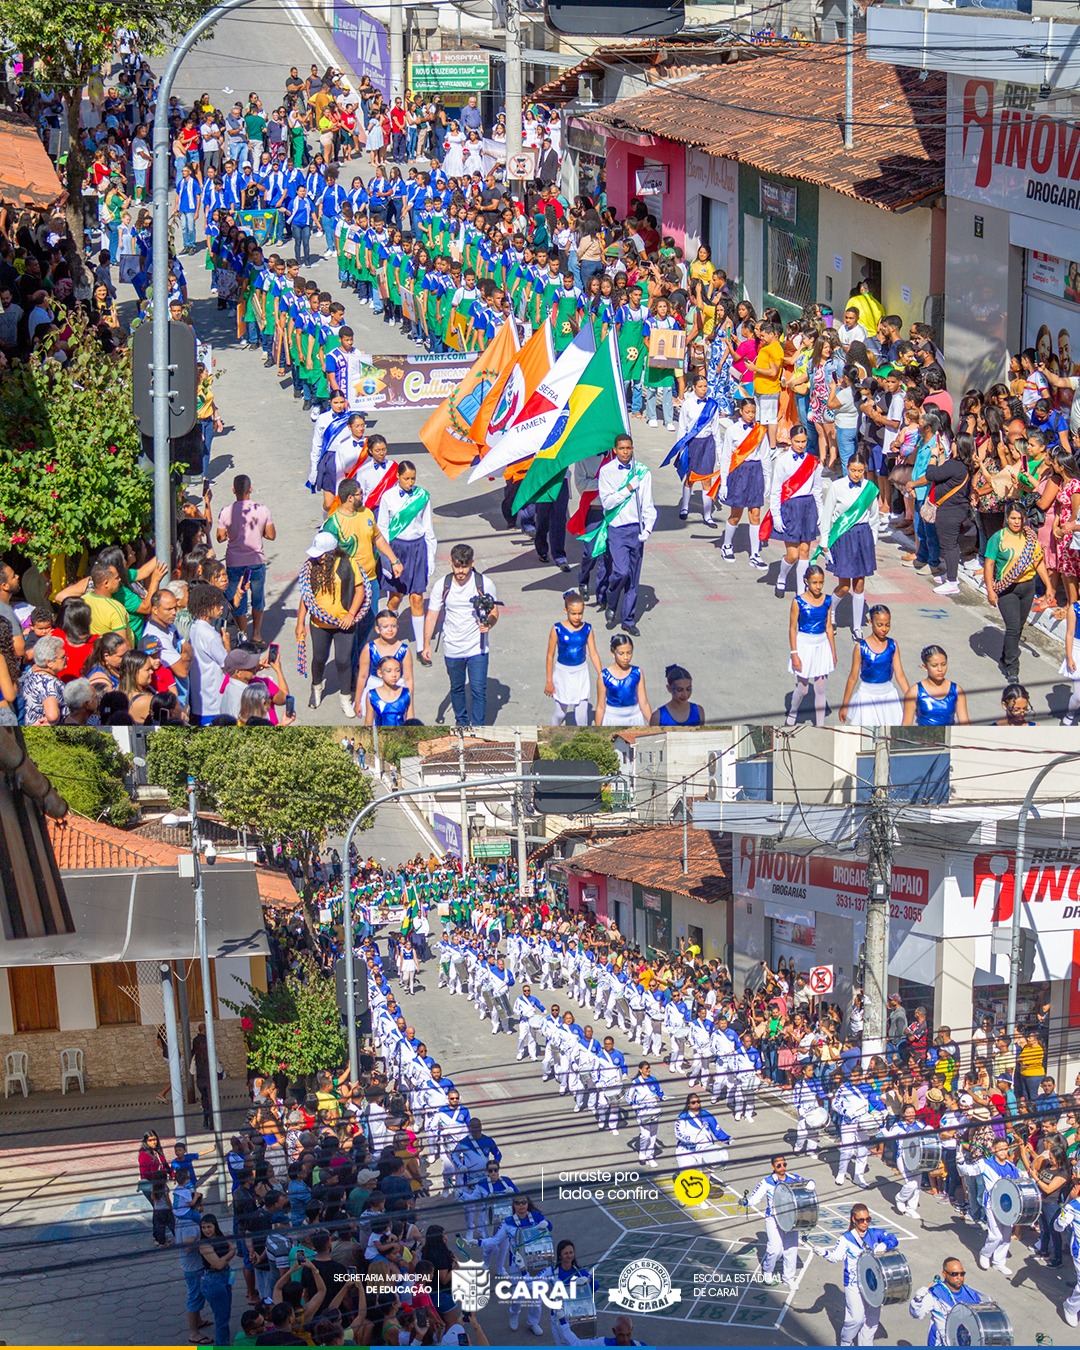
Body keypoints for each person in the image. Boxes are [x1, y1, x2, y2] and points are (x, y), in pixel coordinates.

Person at [422, 544, 500, 727]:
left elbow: (494, 612)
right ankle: (462, 723)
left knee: (478, 690)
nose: (461, 571)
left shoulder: (484, 583)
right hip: (452, 647)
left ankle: (479, 727)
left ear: (472, 563)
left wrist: (488, 623)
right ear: (451, 563)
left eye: (465, 566)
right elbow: (432, 615)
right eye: (457, 566)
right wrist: (426, 644)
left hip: (477, 648)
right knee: (457, 688)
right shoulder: (442, 585)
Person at [374, 460, 436, 662]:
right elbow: (382, 528)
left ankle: (421, 647)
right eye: (406, 478)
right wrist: (387, 560)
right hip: (397, 549)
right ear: (398, 477)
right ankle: (386, 637)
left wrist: (431, 557)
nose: (410, 482)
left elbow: (427, 527)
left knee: (417, 597)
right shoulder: (388, 498)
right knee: (396, 597)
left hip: (418, 548)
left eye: (413, 479)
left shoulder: (422, 496)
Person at [984, 504, 1052, 685]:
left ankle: (1006, 657)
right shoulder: (998, 538)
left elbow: (1038, 563)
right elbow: (989, 565)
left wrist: (1049, 587)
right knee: (1013, 628)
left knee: (1018, 627)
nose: (1016, 522)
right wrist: (991, 590)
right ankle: (1013, 669)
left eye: (1019, 518)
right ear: (1007, 518)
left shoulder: (1030, 537)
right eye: (1013, 518)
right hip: (1008, 590)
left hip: (1027, 587)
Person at [822, 1204, 899, 1347]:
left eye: (867, 1219)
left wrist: (885, 1245)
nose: (865, 1223)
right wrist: (824, 1253)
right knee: (856, 1319)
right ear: (853, 1220)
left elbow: (893, 1239)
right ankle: (845, 1341)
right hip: (853, 1284)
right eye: (861, 1220)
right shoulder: (846, 1239)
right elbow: (835, 1257)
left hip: (873, 1284)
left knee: (871, 1321)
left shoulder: (875, 1233)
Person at [215, 474, 276, 646]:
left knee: (238, 599)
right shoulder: (263, 510)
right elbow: (271, 535)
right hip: (256, 561)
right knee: (257, 597)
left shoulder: (226, 512)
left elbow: (219, 537)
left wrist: (230, 533)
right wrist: (260, 532)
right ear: (250, 489)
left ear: (233, 490)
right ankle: (256, 634)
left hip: (234, 563)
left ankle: (242, 636)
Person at [837, 604, 908, 727]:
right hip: (866, 696)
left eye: (887, 625)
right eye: (879, 625)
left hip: (888, 695)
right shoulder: (861, 647)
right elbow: (853, 678)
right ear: (870, 622)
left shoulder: (893, 645)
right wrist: (845, 704)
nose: (884, 629)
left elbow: (900, 675)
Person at [749, 1155, 814, 1286]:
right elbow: (754, 1198)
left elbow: (808, 1182)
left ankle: (788, 1278)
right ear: (773, 1167)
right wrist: (746, 1202)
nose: (782, 1167)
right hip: (773, 1218)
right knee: (775, 1249)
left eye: (784, 1164)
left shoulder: (793, 1178)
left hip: (790, 1218)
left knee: (791, 1249)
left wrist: (811, 1184)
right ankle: (768, 1271)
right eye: (779, 1165)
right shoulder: (767, 1182)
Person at [718, 398, 768, 567]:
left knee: (755, 514)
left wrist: (767, 480)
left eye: (753, 412)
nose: (751, 415)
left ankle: (755, 553)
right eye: (747, 412)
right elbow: (725, 457)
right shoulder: (733, 431)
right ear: (741, 411)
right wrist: (724, 482)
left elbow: (765, 456)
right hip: (739, 473)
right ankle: (727, 545)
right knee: (736, 514)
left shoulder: (760, 431)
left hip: (755, 472)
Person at [785, 564, 835, 727]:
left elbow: (828, 627)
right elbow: (792, 628)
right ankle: (793, 711)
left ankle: (820, 725)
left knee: (820, 689)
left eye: (821, 582)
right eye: (814, 582)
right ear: (806, 581)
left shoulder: (827, 600)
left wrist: (833, 653)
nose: (818, 586)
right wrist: (794, 653)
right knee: (804, 688)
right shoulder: (798, 602)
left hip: (821, 646)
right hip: (804, 646)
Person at [545, 589, 601, 727]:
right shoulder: (557, 629)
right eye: (574, 613)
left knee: (581, 718)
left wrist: (601, 675)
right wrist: (549, 681)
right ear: (566, 610)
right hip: (562, 673)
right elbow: (550, 655)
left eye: (580, 613)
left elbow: (593, 653)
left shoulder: (587, 629)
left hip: (581, 673)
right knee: (560, 714)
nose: (577, 617)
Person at [902, 645, 970, 727]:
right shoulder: (914, 692)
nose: (940, 669)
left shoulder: (956, 691)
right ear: (925, 667)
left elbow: (965, 724)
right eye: (934, 665)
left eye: (943, 664)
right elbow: (906, 723)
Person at [197, 1212, 236, 1347]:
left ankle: (224, 1342)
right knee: (221, 1317)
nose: (207, 1230)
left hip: (226, 1277)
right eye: (203, 1228)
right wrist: (228, 1255)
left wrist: (223, 1259)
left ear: (215, 1226)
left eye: (209, 1227)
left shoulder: (221, 1236)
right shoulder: (203, 1245)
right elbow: (218, 1265)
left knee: (225, 1313)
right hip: (213, 1281)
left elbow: (231, 1251)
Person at [595, 633, 650, 726]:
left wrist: (653, 723)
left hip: (635, 717)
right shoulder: (604, 676)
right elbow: (600, 706)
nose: (626, 658)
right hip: (612, 719)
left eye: (629, 653)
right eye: (621, 653)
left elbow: (644, 703)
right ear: (613, 653)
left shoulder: (638, 672)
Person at [674, 1091, 730, 1178]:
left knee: (704, 1178)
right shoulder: (682, 1117)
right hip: (686, 1150)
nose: (696, 1104)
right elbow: (678, 1133)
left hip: (704, 1150)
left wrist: (727, 1139)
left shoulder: (706, 1115)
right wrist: (690, 1140)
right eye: (693, 1102)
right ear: (688, 1104)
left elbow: (716, 1129)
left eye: (698, 1102)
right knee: (687, 1176)